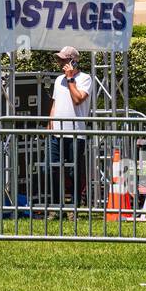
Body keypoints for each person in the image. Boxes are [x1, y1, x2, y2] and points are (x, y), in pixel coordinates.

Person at [46, 46, 93, 208]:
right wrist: (49, 125)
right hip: (56, 133)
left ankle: (74, 205)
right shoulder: (59, 80)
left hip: (76, 133)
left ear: (74, 61)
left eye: (64, 60)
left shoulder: (85, 78)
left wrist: (71, 78)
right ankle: (56, 206)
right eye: (60, 59)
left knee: (74, 171)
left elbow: (78, 99)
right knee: (51, 169)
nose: (61, 62)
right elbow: (54, 104)